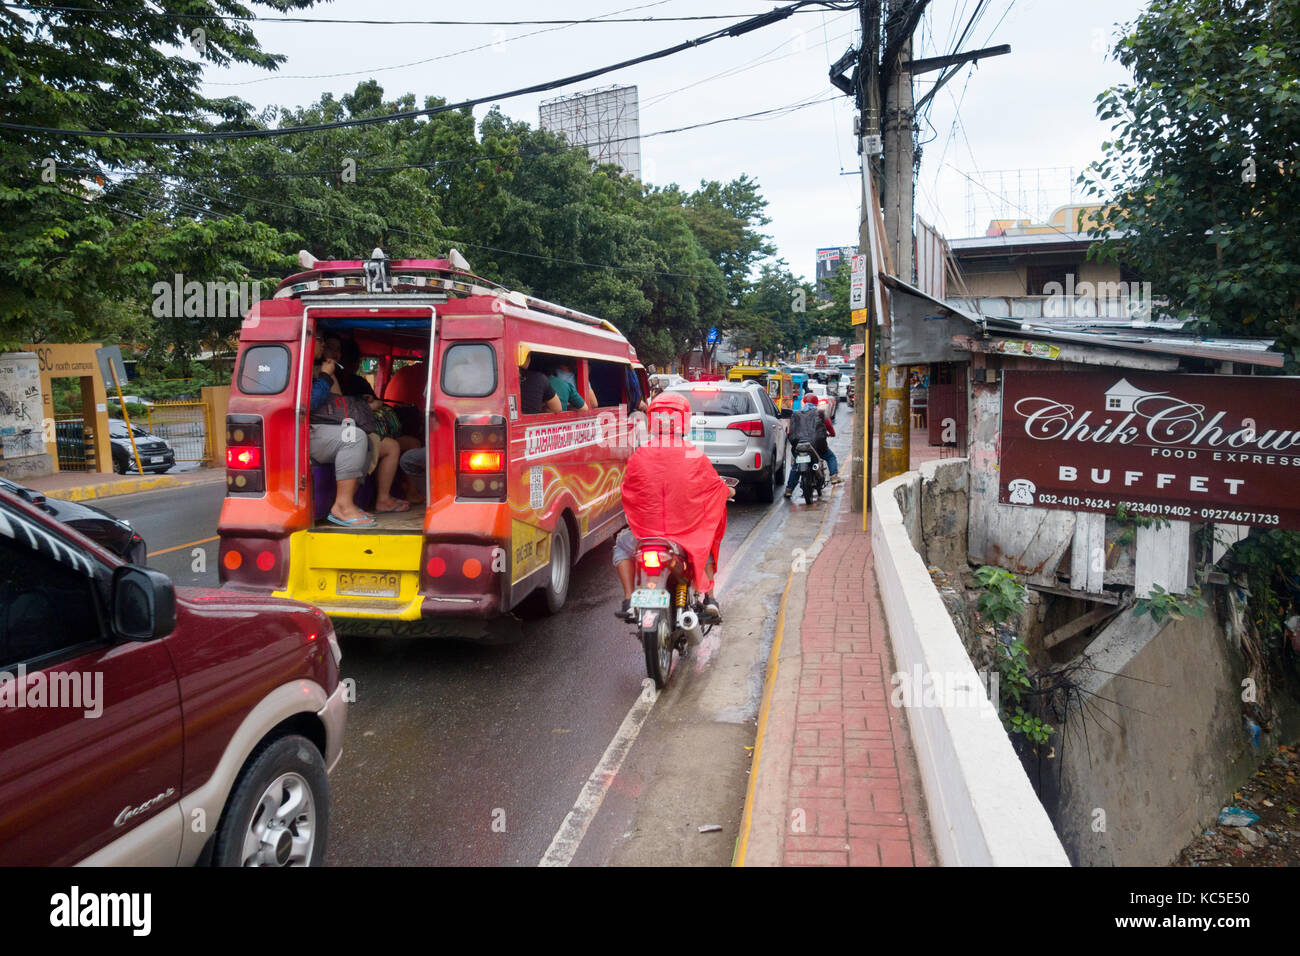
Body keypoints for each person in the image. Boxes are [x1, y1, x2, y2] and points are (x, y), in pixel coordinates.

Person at [614, 392, 733, 624]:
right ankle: (709, 599)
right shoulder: (694, 455)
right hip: (685, 536)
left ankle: (629, 600)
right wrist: (728, 491)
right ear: (684, 420)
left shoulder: (640, 455)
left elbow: (628, 490)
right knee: (705, 541)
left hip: (645, 536)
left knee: (621, 546)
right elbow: (716, 487)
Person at [784, 384, 842, 500]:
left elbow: (790, 431)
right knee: (830, 457)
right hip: (818, 446)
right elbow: (830, 428)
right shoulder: (821, 413)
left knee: (796, 466)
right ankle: (834, 476)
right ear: (816, 403)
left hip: (799, 446)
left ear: (804, 402)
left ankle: (789, 489)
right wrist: (831, 434)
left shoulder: (796, 414)